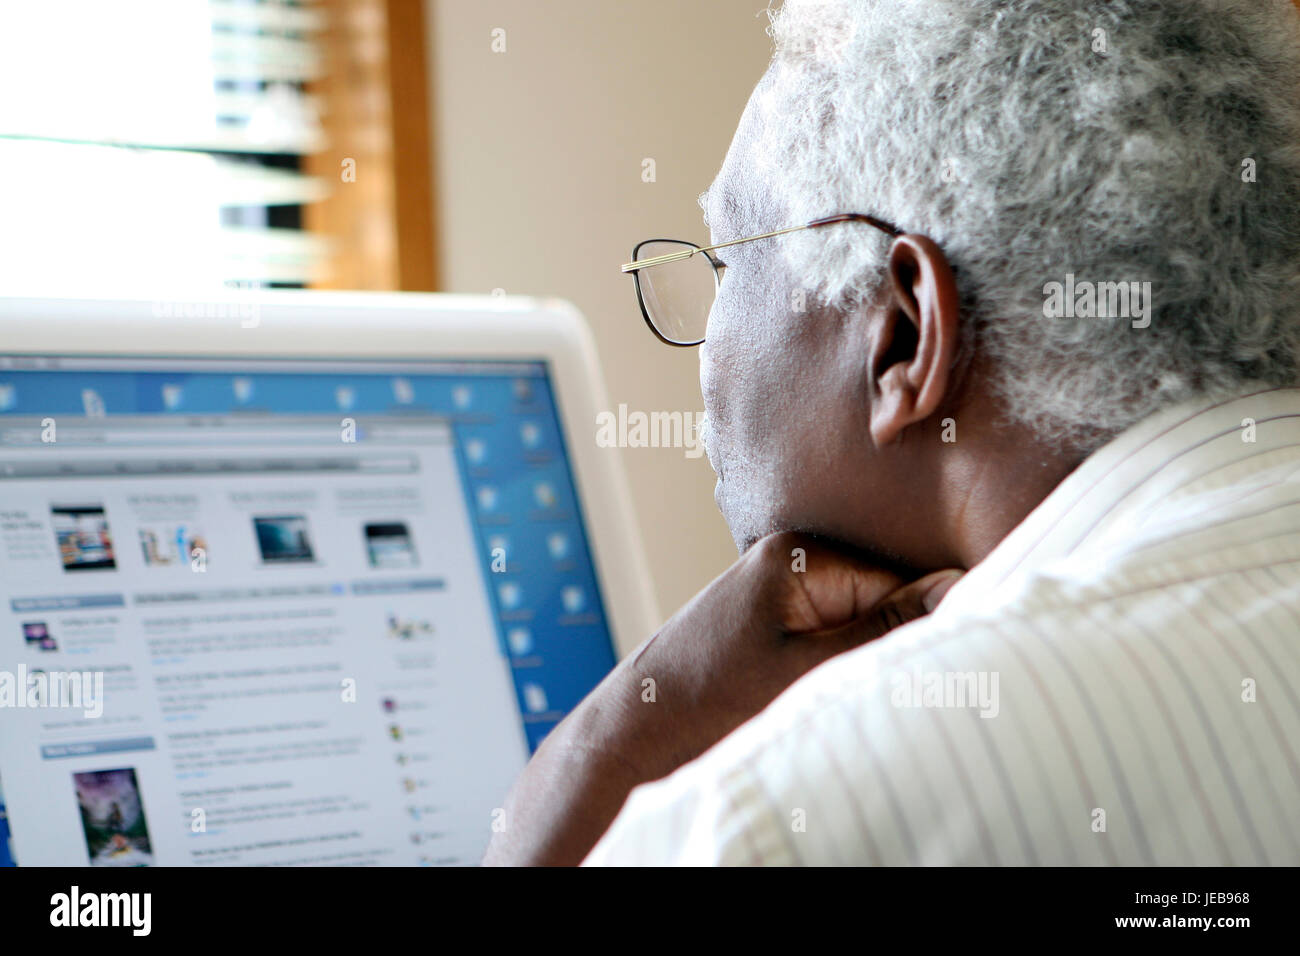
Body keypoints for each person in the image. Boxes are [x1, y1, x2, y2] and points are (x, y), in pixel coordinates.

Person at [485, 0, 1300, 865]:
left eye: (726, 261)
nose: (703, 350)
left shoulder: (781, 816)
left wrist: (585, 768)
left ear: (905, 339)